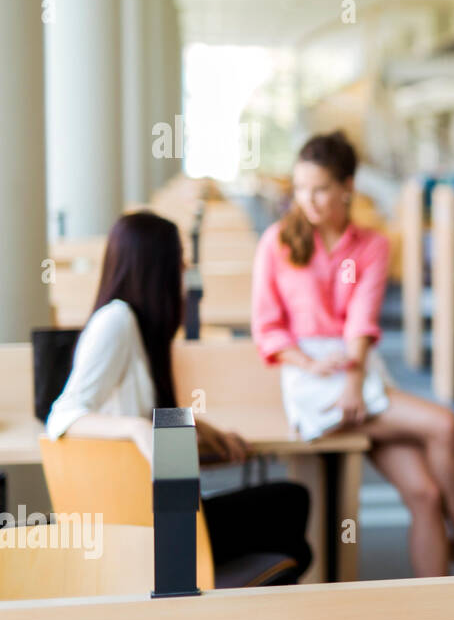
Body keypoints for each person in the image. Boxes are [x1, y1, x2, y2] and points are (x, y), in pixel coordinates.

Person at [252, 130, 454, 599]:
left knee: (426, 495)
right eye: (300, 188)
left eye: (320, 189)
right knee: (444, 424)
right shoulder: (277, 242)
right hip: (310, 380)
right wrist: (309, 363)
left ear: (347, 187)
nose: (307, 200)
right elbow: (268, 326)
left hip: (358, 373)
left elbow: (361, 319)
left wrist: (352, 378)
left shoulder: (371, 245)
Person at [46, 211, 313, 582]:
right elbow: (63, 415)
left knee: (292, 532)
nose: (185, 266)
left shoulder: (136, 325)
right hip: (146, 532)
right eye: (178, 256)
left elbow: (146, 409)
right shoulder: (116, 322)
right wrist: (138, 430)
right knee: (291, 506)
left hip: (153, 519)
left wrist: (200, 428)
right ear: (153, 264)